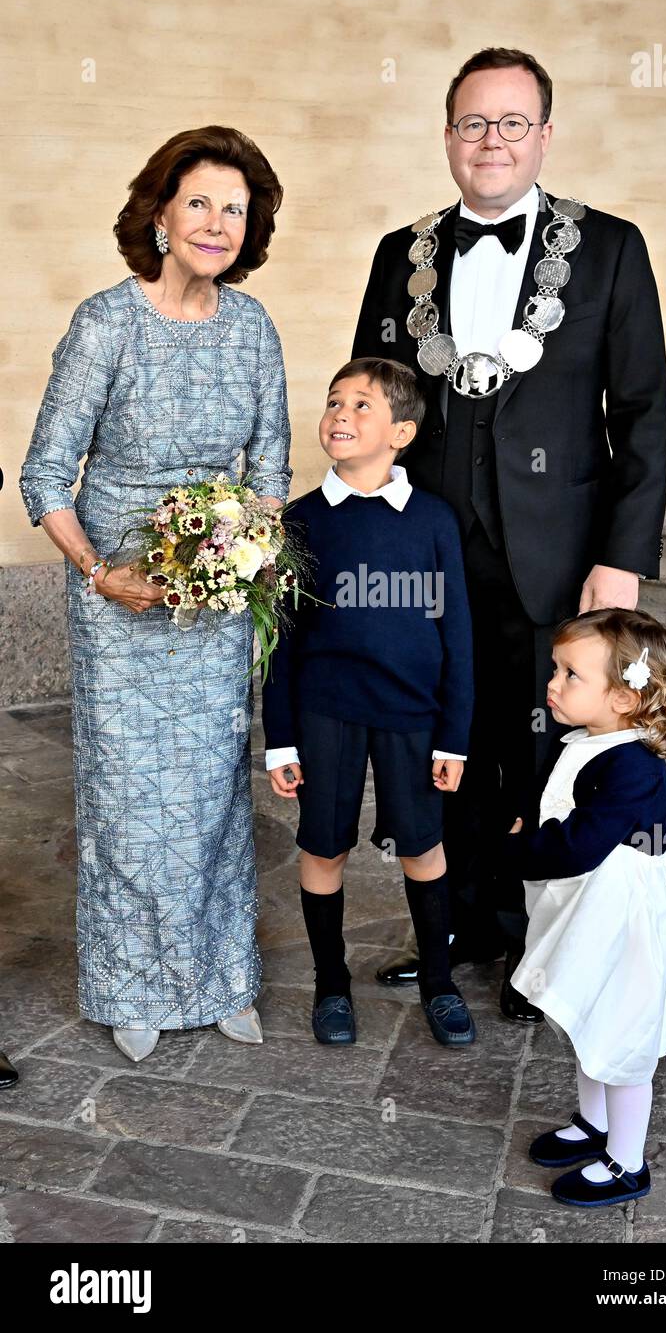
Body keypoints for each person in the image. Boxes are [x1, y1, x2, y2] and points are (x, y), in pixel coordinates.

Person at [351, 47, 666, 1022]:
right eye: (471, 123)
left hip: (565, 563)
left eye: (511, 123)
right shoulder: (395, 253)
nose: (490, 141)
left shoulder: (612, 247)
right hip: (433, 562)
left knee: (547, 761)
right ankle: (454, 931)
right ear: (448, 135)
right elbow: (372, 405)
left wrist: (620, 559)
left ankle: (549, 950)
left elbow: (646, 415)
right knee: (447, 747)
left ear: (543, 134)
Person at [19, 126, 291, 1063]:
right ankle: (131, 983)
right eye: (201, 203)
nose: (218, 223)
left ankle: (220, 979)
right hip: (118, 602)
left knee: (215, 793)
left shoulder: (252, 327)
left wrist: (243, 551)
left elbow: (270, 470)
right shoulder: (106, 323)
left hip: (214, 607)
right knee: (130, 801)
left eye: (236, 209)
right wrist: (101, 572)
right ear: (162, 217)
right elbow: (45, 476)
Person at [261, 357, 477, 1047]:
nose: (340, 415)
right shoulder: (300, 521)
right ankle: (331, 984)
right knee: (323, 845)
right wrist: (281, 739)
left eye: (361, 405)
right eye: (334, 402)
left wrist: (454, 736)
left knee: (422, 844)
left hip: (413, 714)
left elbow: (458, 636)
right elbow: (280, 640)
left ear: (402, 432)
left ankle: (440, 981)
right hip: (326, 709)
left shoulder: (433, 521)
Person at [512, 608, 666, 1207]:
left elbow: (578, 845)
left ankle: (627, 1161)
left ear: (622, 696)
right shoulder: (592, 741)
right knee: (590, 1020)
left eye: (571, 674)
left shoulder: (634, 765)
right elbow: (561, 812)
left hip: (621, 921)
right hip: (587, 910)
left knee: (621, 1038)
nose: (553, 683)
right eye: (556, 668)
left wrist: (510, 851)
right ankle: (595, 1125)